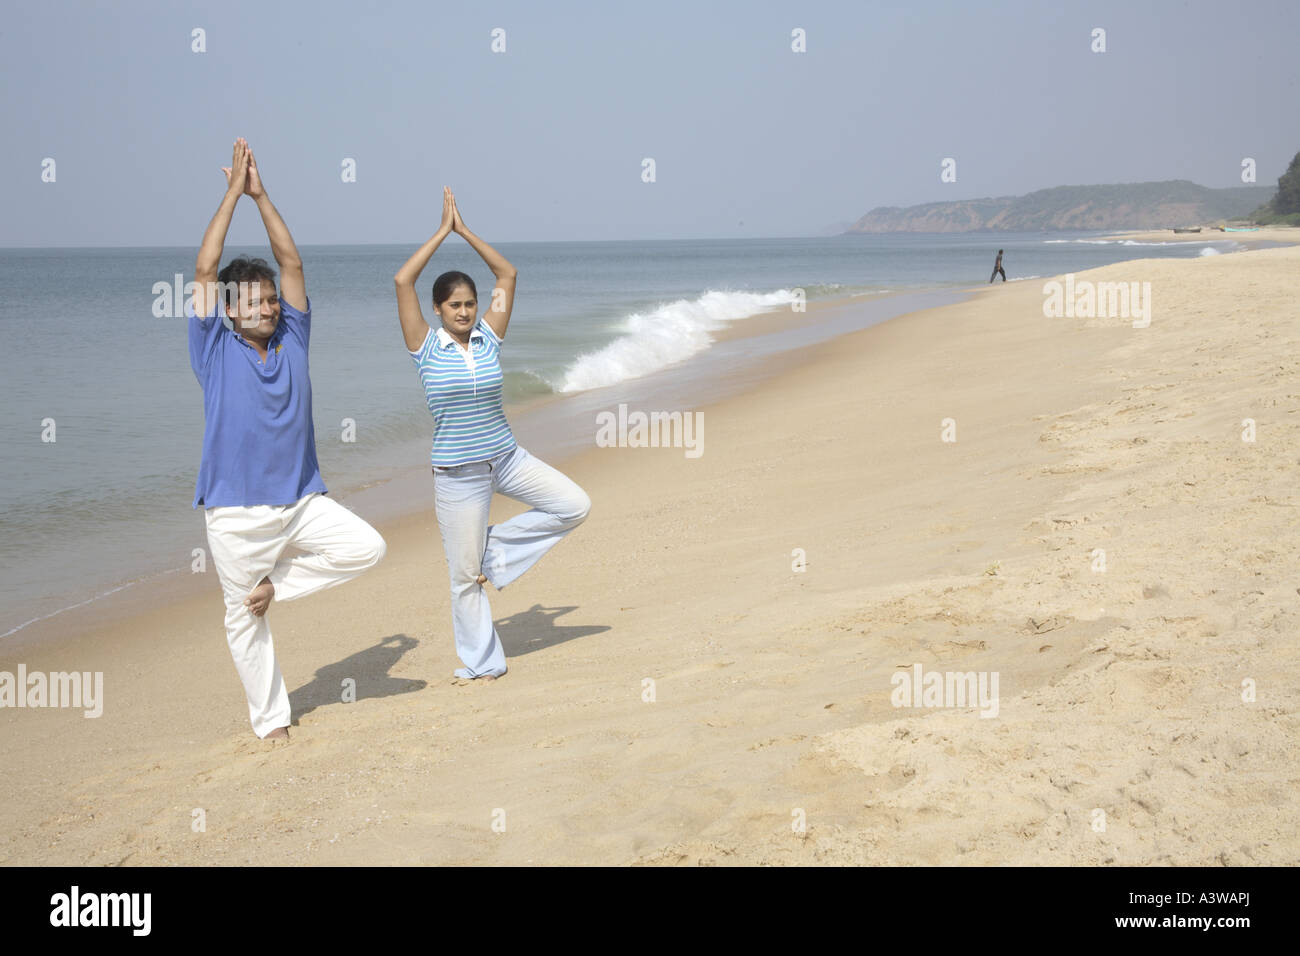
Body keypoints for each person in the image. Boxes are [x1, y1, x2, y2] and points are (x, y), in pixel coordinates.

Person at [190, 138, 386, 739]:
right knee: (241, 619)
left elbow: (294, 264)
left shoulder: (294, 340)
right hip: (235, 515)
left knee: (368, 548)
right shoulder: (213, 348)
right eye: (256, 300)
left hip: (302, 503)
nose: (270, 305)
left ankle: (277, 585)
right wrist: (231, 196)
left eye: (272, 298)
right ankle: (271, 723)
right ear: (229, 310)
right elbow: (204, 269)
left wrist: (262, 195)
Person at [394, 187, 590, 681]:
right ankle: (483, 664)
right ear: (437, 309)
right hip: (458, 473)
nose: (464, 311)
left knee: (573, 505)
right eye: (455, 305)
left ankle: (495, 554)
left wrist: (466, 231)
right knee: (463, 580)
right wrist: (441, 233)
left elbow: (508, 273)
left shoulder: (488, 336)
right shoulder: (424, 346)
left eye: (470, 303)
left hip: (505, 457)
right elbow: (402, 279)